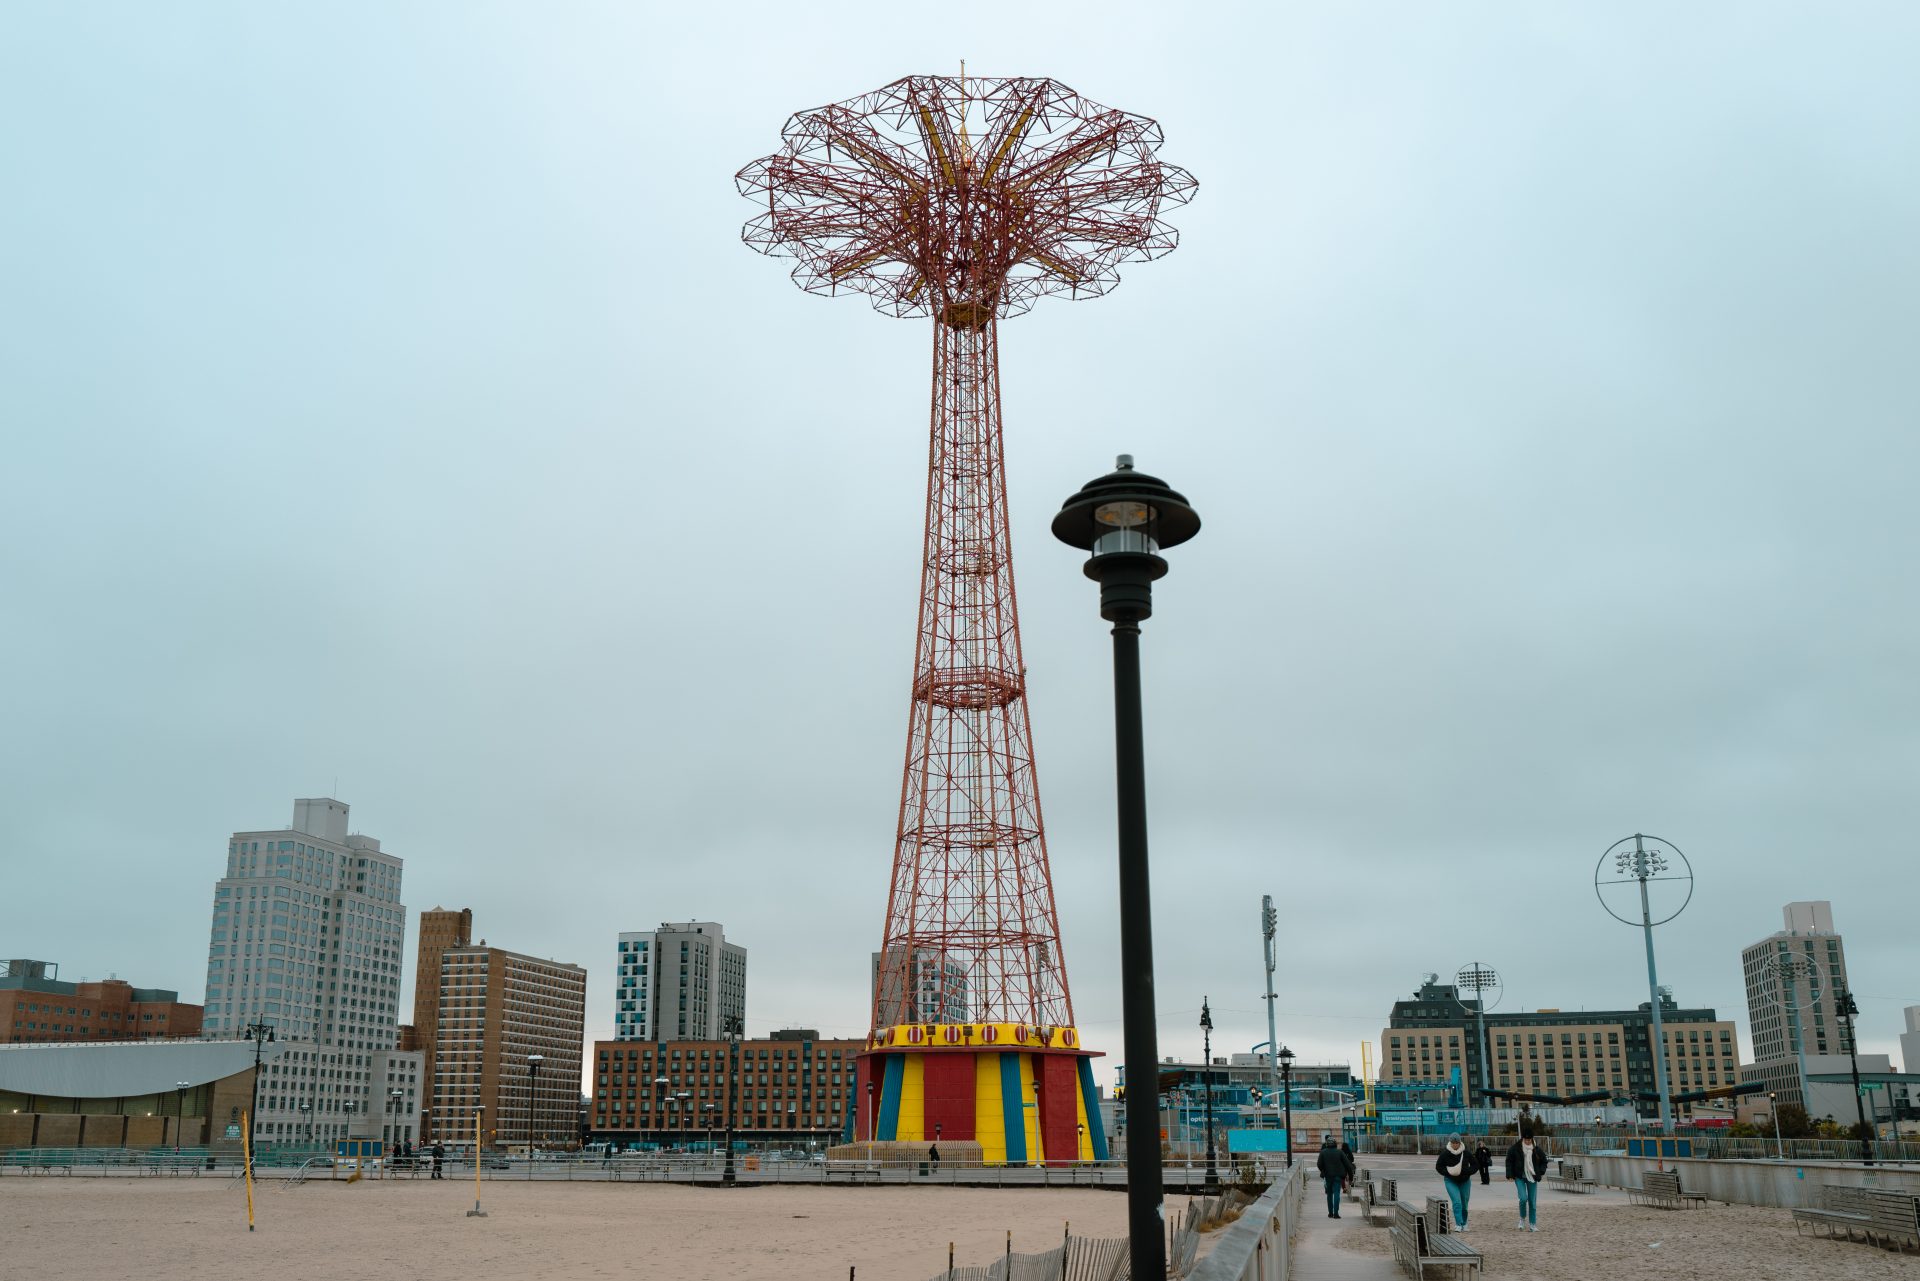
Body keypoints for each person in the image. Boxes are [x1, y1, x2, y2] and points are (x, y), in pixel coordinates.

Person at [1505, 1129, 1548, 1231]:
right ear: (1523, 1138)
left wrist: (1540, 1172)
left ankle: (1533, 1224)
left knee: (1532, 1201)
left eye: (1529, 1139)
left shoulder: (1536, 1149)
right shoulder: (1515, 1148)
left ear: (1532, 1139)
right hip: (1519, 1176)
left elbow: (1544, 1161)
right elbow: (1509, 1161)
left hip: (1532, 1177)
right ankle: (1522, 1218)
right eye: (1526, 1139)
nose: (1528, 1141)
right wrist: (1510, 1174)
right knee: (1523, 1198)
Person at [1434, 1133, 1476, 1231]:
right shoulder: (1445, 1153)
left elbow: (1475, 1164)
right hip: (1450, 1181)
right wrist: (1448, 1173)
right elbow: (1438, 1166)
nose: (1455, 1144)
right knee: (1457, 1202)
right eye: (1453, 1142)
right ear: (1450, 1142)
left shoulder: (1466, 1152)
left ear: (1460, 1142)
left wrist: (1468, 1172)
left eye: (1457, 1142)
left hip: (1465, 1181)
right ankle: (1458, 1223)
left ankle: (1464, 1223)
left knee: (1464, 1203)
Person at [1315, 1134, 1352, 1218]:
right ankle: (1336, 1213)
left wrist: (1323, 1171)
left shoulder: (1323, 1152)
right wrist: (1350, 1177)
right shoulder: (1340, 1152)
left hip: (1328, 1176)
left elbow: (1319, 1164)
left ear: (1327, 1144)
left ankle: (1330, 1213)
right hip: (1338, 1176)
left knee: (1329, 1194)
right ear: (1335, 1144)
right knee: (1336, 1193)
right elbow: (1348, 1165)